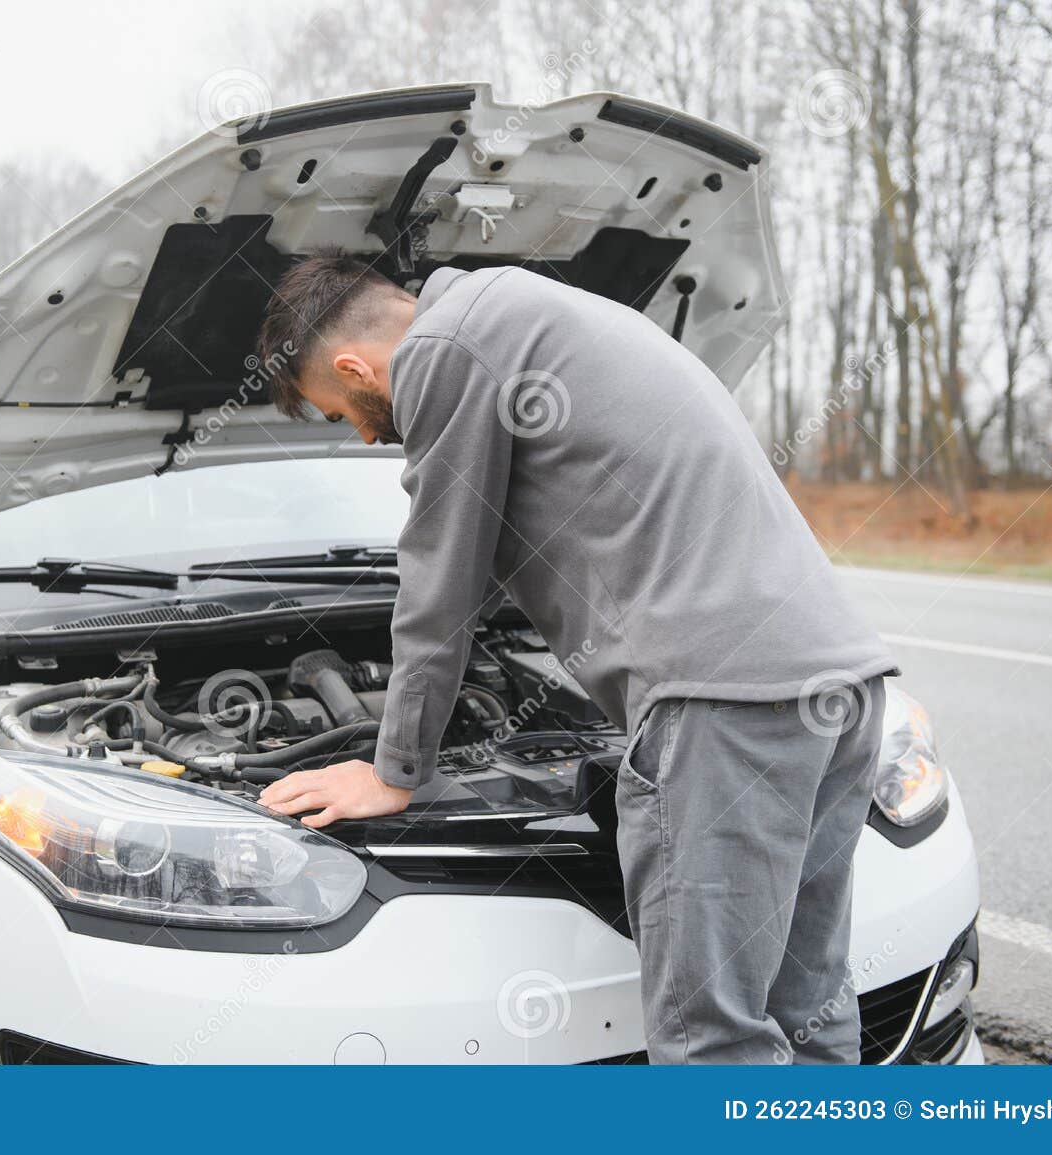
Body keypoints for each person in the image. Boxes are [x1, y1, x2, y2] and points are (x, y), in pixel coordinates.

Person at [252, 255, 898, 1064]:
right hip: (837, 684)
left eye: (345, 412)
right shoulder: (528, 310)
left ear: (354, 366)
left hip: (725, 707)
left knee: (713, 1040)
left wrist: (393, 771)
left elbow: (439, 578)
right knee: (806, 1010)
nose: (369, 433)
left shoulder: (447, 347)